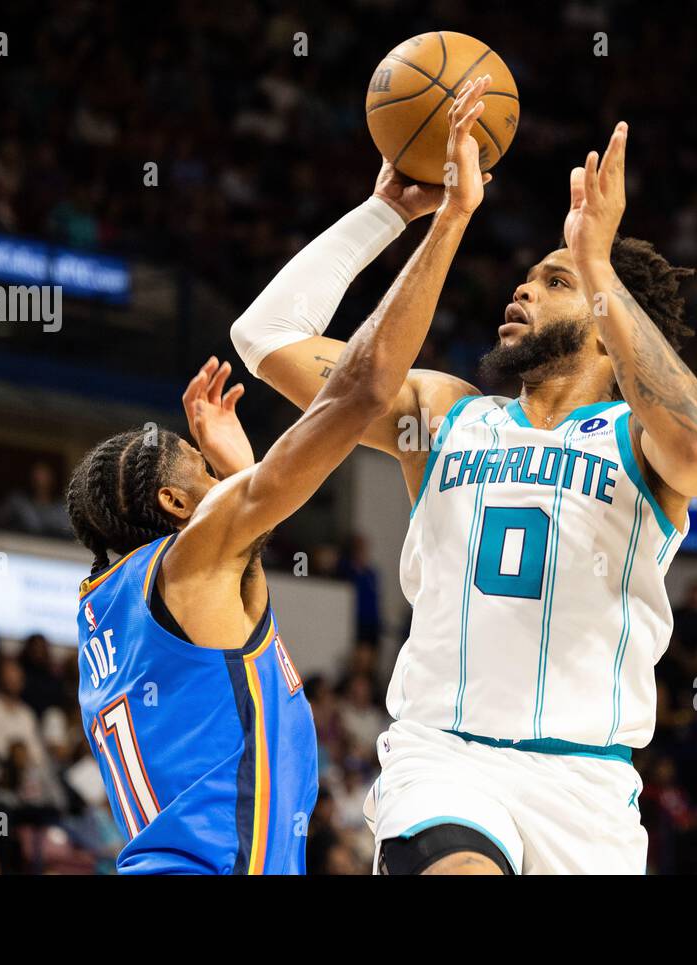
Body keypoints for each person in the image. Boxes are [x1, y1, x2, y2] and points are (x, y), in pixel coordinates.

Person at [235, 120, 697, 874]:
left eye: (556, 281)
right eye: (530, 275)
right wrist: (399, 215)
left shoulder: (640, 440)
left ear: (605, 322)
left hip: (586, 788)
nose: (524, 286)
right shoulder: (442, 417)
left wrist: (596, 261)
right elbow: (265, 336)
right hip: (445, 760)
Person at [64, 77, 494, 875]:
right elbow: (360, 390)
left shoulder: (118, 602)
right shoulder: (187, 564)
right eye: (197, 468)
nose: (220, 474)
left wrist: (231, 469)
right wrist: (450, 219)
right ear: (171, 504)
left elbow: (240, 559)